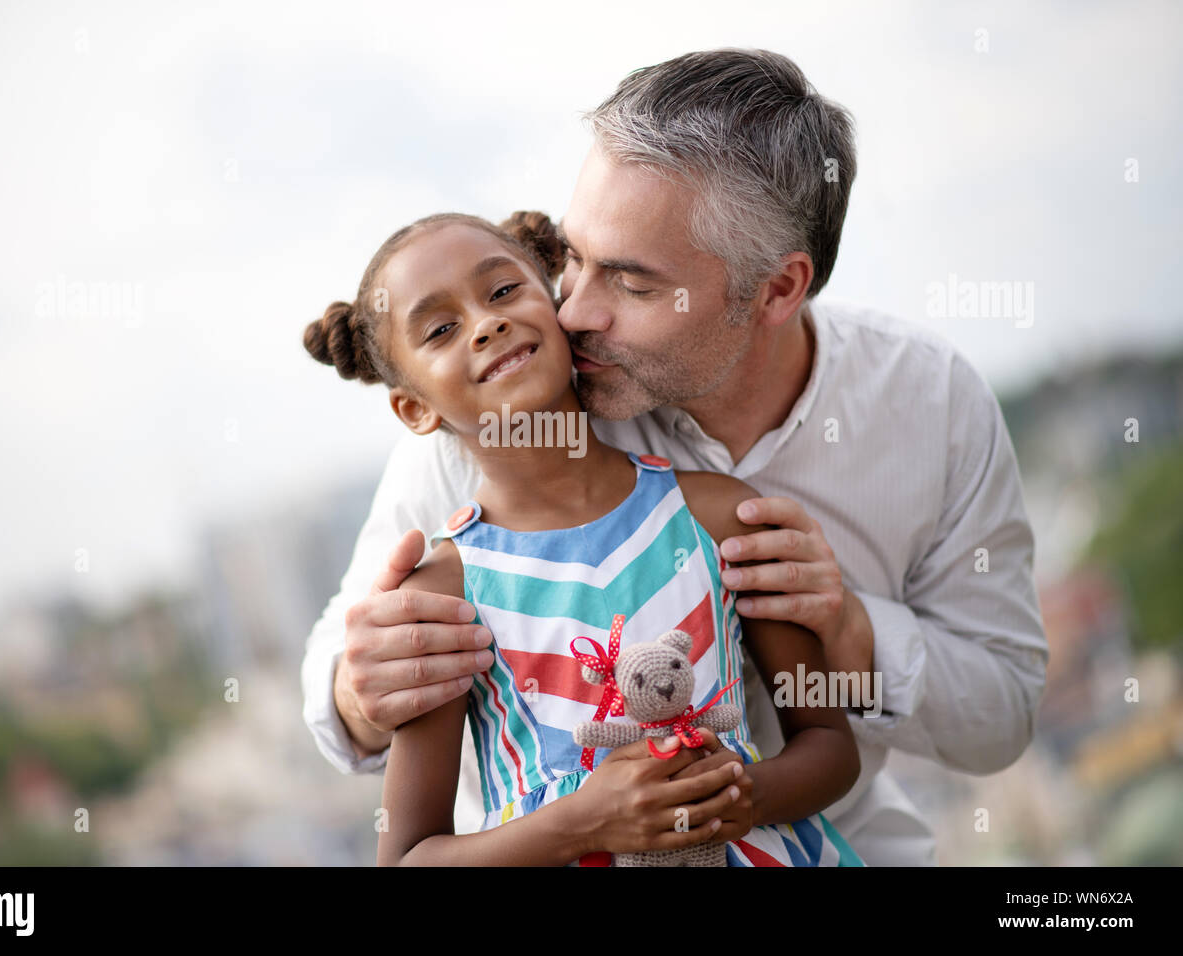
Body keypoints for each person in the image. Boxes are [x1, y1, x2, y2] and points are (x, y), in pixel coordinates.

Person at [301, 48, 1048, 865]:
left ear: (774, 290)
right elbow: (342, 691)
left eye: (631, 284)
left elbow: (1003, 717)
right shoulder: (495, 429)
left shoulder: (930, 405)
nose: (574, 312)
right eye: (574, 261)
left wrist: (850, 628)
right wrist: (365, 687)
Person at [305, 208, 863, 865]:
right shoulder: (442, 593)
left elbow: (830, 746)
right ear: (414, 408)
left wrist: (747, 793)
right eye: (441, 328)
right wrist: (583, 824)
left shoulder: (720, 516)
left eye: (505, 291)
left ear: (559, 302)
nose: (488, 324)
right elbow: (407, 856)